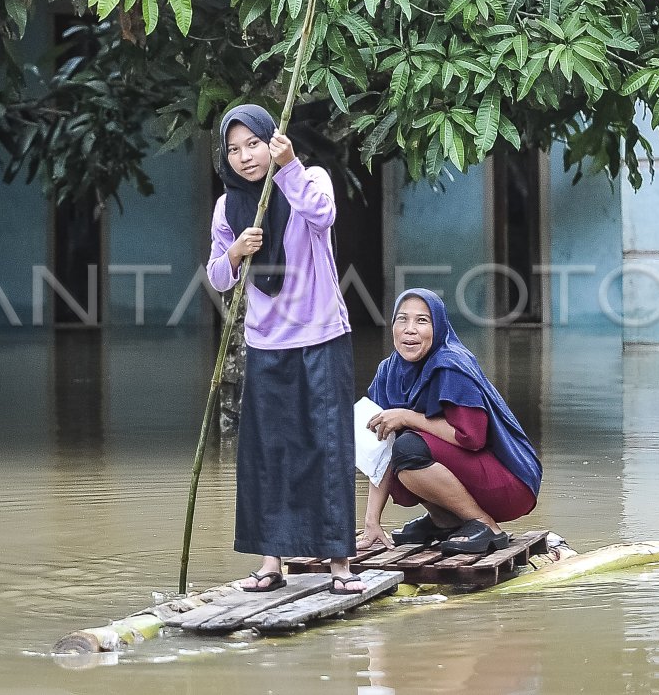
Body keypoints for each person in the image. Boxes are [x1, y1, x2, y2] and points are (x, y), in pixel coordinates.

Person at [205, 104, 364, 595]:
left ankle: (340, 566)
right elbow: (216, 275)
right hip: (266, 342)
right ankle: (272, 563)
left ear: (271, 141)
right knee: (269, 454)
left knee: (327, 448)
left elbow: (324, 214)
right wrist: (236, 252)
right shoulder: (228, 206)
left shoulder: (308, 178)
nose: (245, 157)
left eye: (253, 144)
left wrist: (289, 165)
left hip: (320, 335)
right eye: (233, 149)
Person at [356, 288, 542, 554]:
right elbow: (378, 449)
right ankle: (444, 521)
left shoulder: (451, 364)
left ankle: (484, 524)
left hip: (510, 482)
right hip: (466, 476)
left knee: (408, 448)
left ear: (439, 326)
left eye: (422, 321)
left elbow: (473, 437)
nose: (410, 329)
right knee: (397, 452)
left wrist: (408, 417)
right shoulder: (388, 371)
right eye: (402, 319)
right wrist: (372, 522)